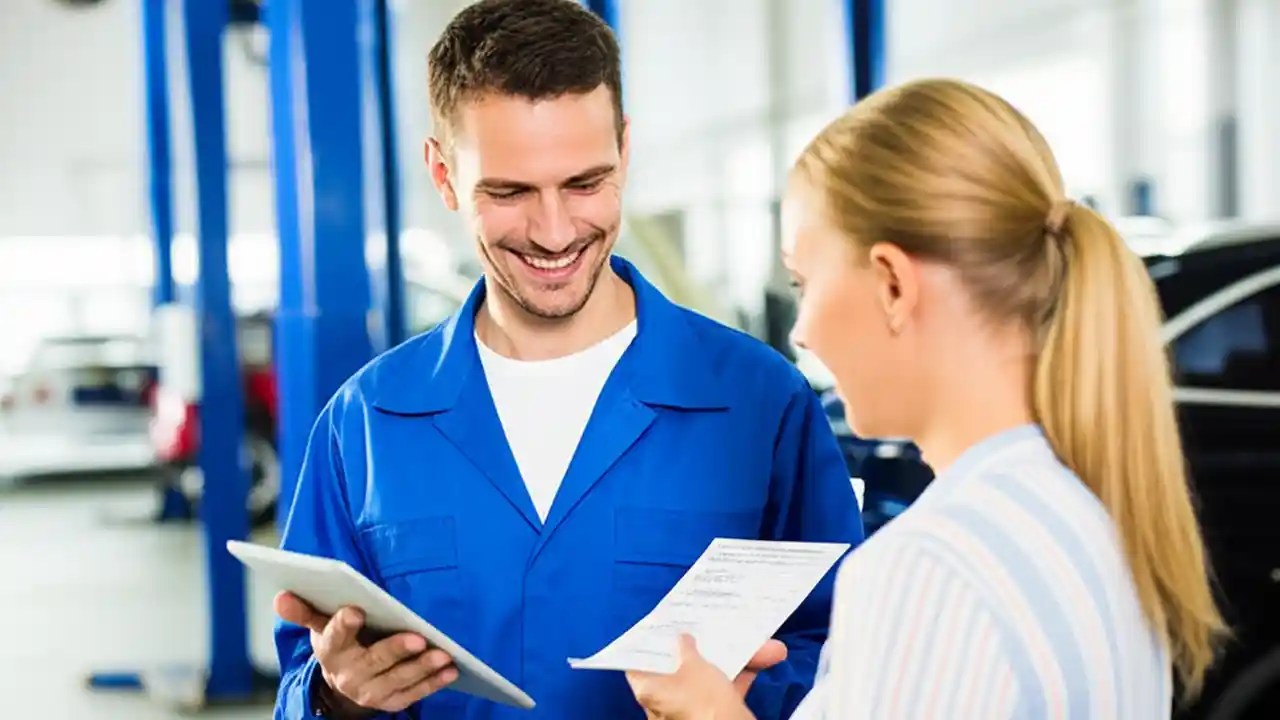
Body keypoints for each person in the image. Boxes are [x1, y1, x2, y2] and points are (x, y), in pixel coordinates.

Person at [270, 1, 865, 718]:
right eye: (511, 191)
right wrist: (338, 698)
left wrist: (747, 700)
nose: (555, 232)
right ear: (443, 173)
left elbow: (842, 658)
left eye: (585, 184)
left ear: (625, 149)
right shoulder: (363, 425)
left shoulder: (761, 404)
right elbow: (304, 679)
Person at [625, 78, 1227, 719]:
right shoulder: (1102, 525)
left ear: (891, 284)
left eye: (804, 282)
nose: (801, 331)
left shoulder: (929, 567)